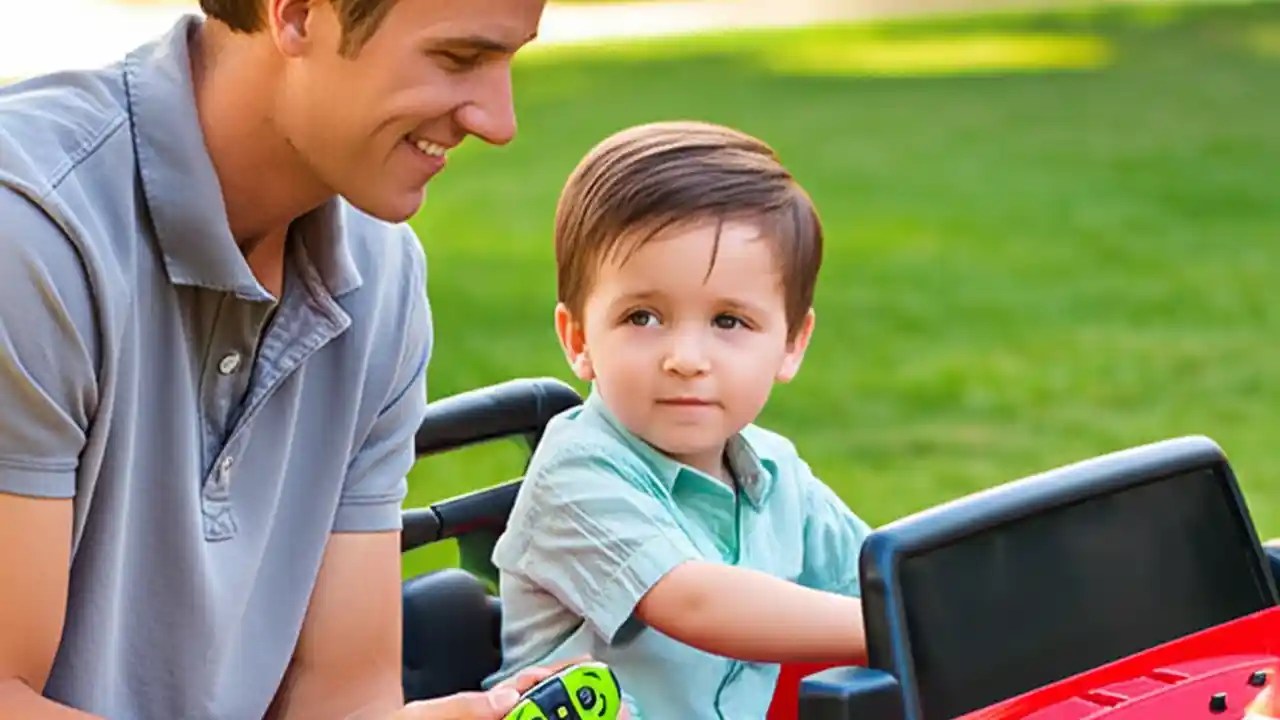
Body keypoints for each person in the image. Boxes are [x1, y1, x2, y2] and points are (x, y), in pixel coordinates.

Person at [0, 0, 575, 718]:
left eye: (509, 59)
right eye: (459, 59)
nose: (500, 121)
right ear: (298, 15)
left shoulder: (380, 275)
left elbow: (340, 698)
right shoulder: (27, 234)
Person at [485, 120, 874, 718]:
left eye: (728, 321)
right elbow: (696, 603)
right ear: (579, 338)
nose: (685, 360)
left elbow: (874, 575)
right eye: (643, 317)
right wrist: (903, 623)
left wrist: (959, 601)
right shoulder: (577, 473)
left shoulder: (777, 472)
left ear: (792, 342)